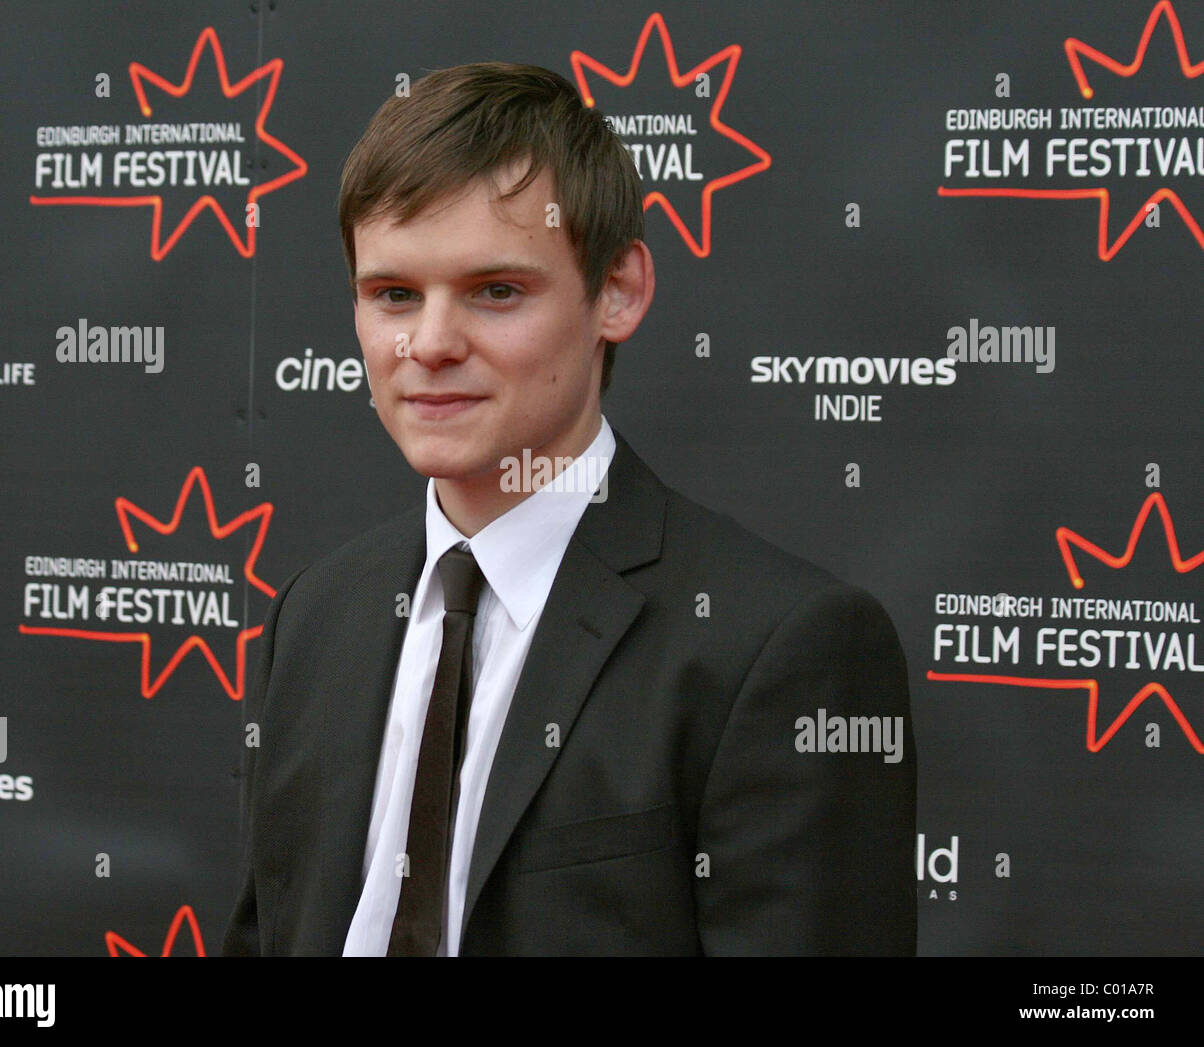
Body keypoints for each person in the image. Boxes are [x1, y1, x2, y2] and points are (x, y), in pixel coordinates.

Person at [223, 61, 916, 956]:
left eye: (495, 291)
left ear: (618, 290)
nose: (430, 343)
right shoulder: (314, 618)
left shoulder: (779, 649)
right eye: (394, 294)